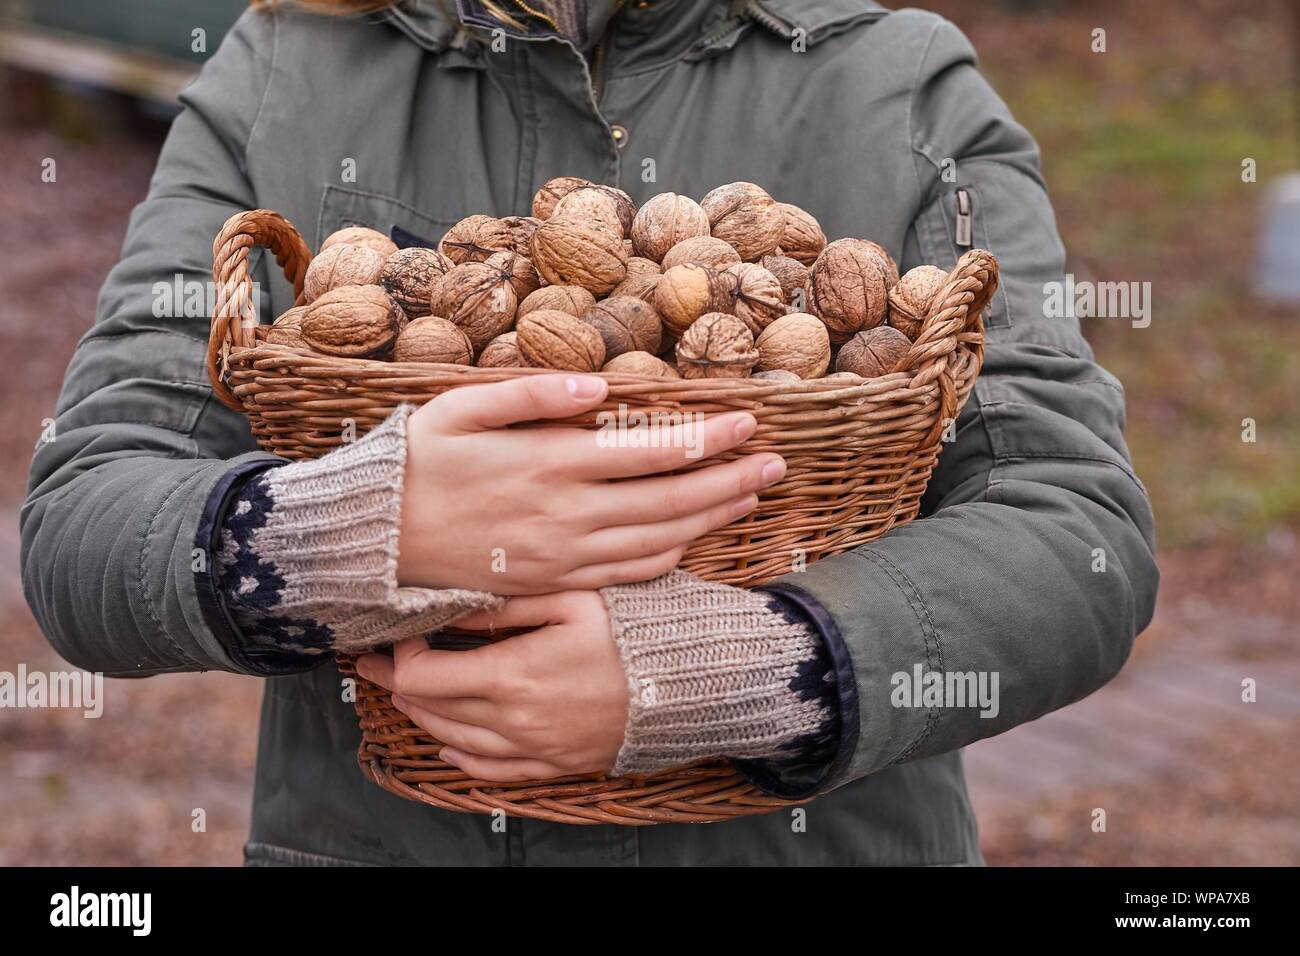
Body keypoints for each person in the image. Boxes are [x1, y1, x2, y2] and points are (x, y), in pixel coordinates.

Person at [21, 0, 1159, 866]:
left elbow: (1075, 535)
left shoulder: (891, 81)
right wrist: (361, 525)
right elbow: (83, 525)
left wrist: (746, 672)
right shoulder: (288, 68)